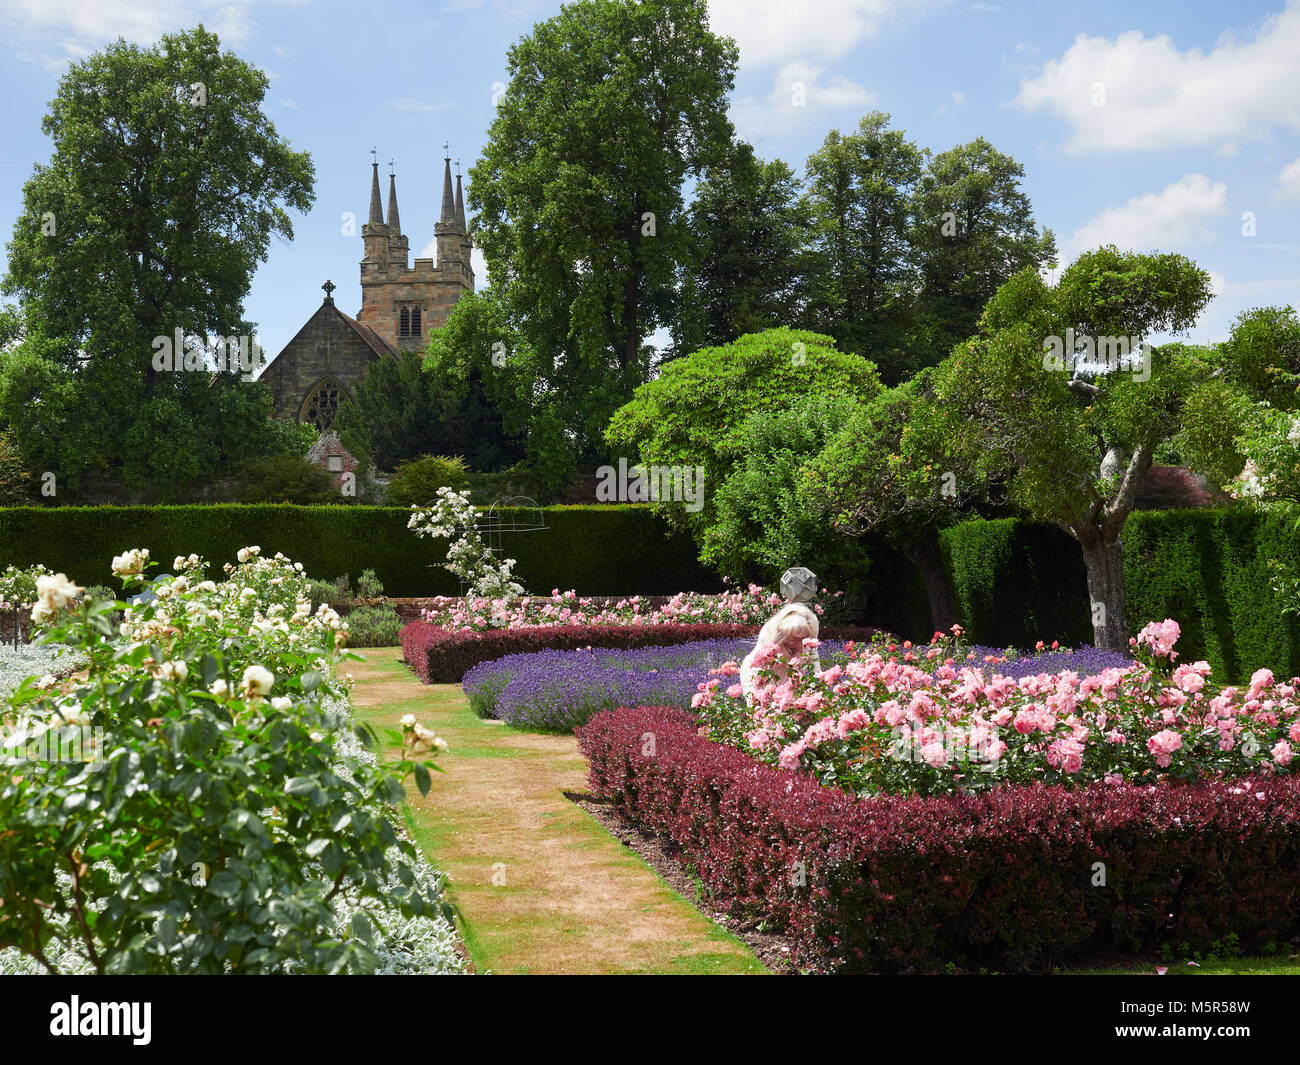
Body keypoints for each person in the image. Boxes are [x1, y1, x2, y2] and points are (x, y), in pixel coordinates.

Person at [740, 602, 820, 699]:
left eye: (798, 639)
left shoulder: (809, 643)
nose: (793, 643)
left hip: (788, 678)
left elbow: (817, 674)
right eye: (790, 638)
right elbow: (755, 672)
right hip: (758, 674)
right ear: (782, 634)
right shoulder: (769, 639)